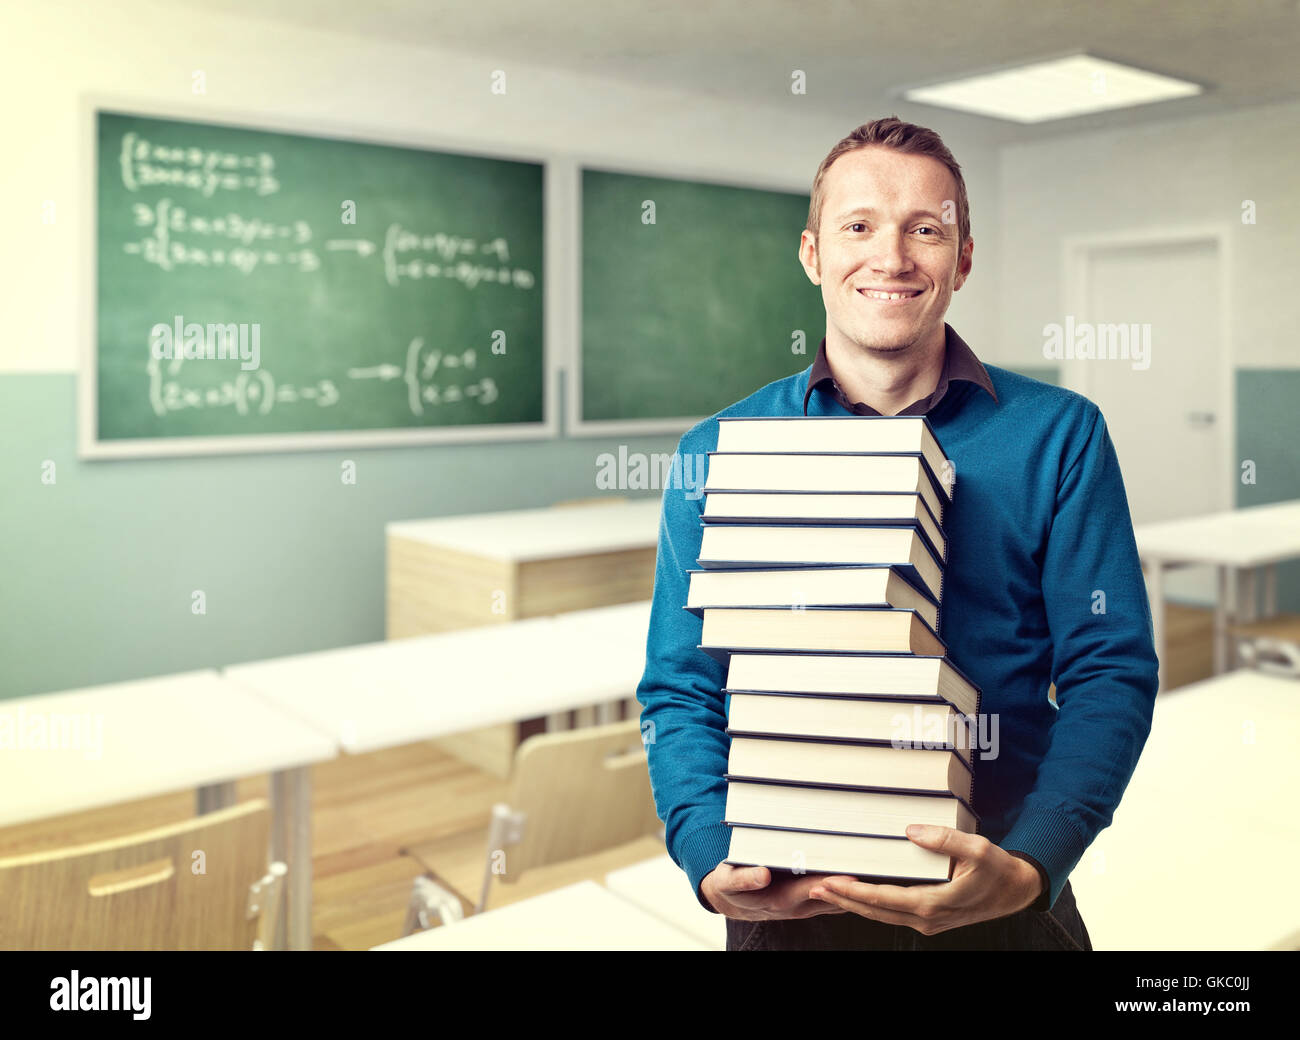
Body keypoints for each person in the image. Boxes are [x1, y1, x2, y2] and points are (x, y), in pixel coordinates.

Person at [634, 116, 1160, 951]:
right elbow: (682, 684)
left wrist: (1032, 863)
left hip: (1002, 895)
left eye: (926, 229)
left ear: (964, 257)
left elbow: (1111, 670)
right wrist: (704, 851)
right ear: (812, 254)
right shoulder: (717, 453)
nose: (892, 257)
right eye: (859, 226)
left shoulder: (1061, 435)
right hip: (785, 906)